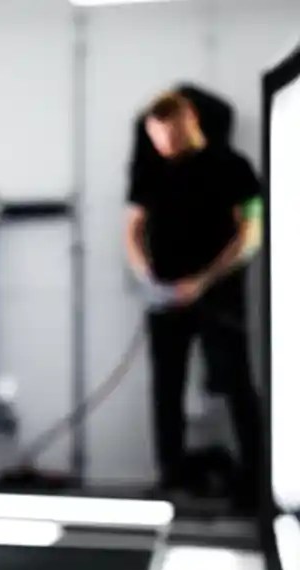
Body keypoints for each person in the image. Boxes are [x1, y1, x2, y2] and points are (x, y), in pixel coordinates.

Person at [125, 89, 264, 512]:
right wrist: (145, 274)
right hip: (165, 298)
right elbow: (132, 226)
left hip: (218, 298)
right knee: (166, 388)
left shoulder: (232, 166)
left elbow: (252, 230)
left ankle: (256, 482)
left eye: (167, 136)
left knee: (237, 384)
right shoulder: (151, 171)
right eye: (154, 138)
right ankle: (170, 476)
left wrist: (204, 281)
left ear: (188, 122)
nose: (161, 146)